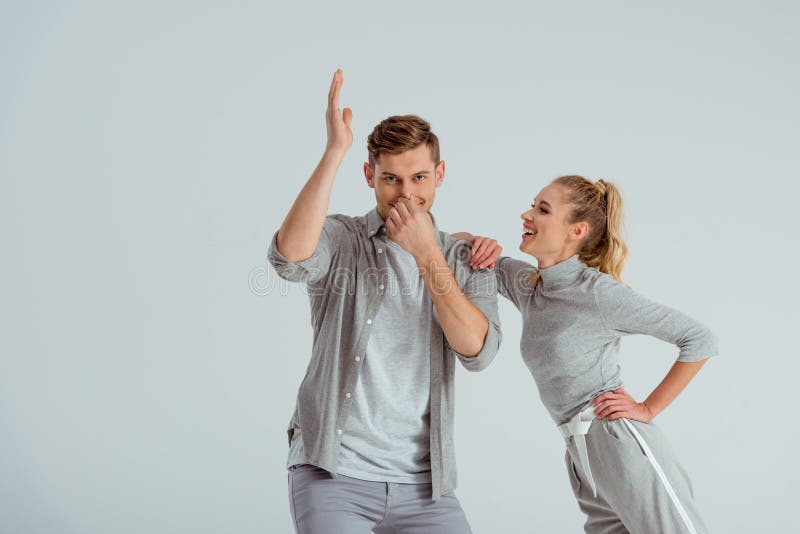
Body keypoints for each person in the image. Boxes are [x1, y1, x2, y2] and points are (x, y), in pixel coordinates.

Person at [267, 69, 502, 534]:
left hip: (425, 488)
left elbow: (479, 351)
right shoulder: (342, 237)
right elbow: (289, 258)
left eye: (419, 177)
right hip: (332, 473)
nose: (407, 193)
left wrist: (428, 252)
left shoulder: (465, 257)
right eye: (391, 179)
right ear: (370, 176)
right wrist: (335, 151)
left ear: (440, 175)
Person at [456, 175, 718, 533]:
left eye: (542, 209)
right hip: (581, 454)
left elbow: (699, 339)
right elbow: (459, 247)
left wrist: (647, 408)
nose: (526, 214)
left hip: (617, 441)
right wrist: (476, 242)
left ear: (575, 231)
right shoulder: (532, 287)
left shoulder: (597, 292)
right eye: (533, 205)